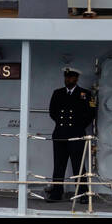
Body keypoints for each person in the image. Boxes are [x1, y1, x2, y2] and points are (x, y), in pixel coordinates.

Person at [47, 67, 95, 203]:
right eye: (66, 77)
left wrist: (76, 126)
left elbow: (91, 114)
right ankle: (56, 193)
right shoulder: (58, 93)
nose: (68, 80)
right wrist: (64, 125)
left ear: (77, 78)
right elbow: (53, 112)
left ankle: (82, 194)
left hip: (76, 134)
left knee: (78, 165)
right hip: (60, 134)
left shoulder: (85, 94)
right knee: (58, 165)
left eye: (71, 77)